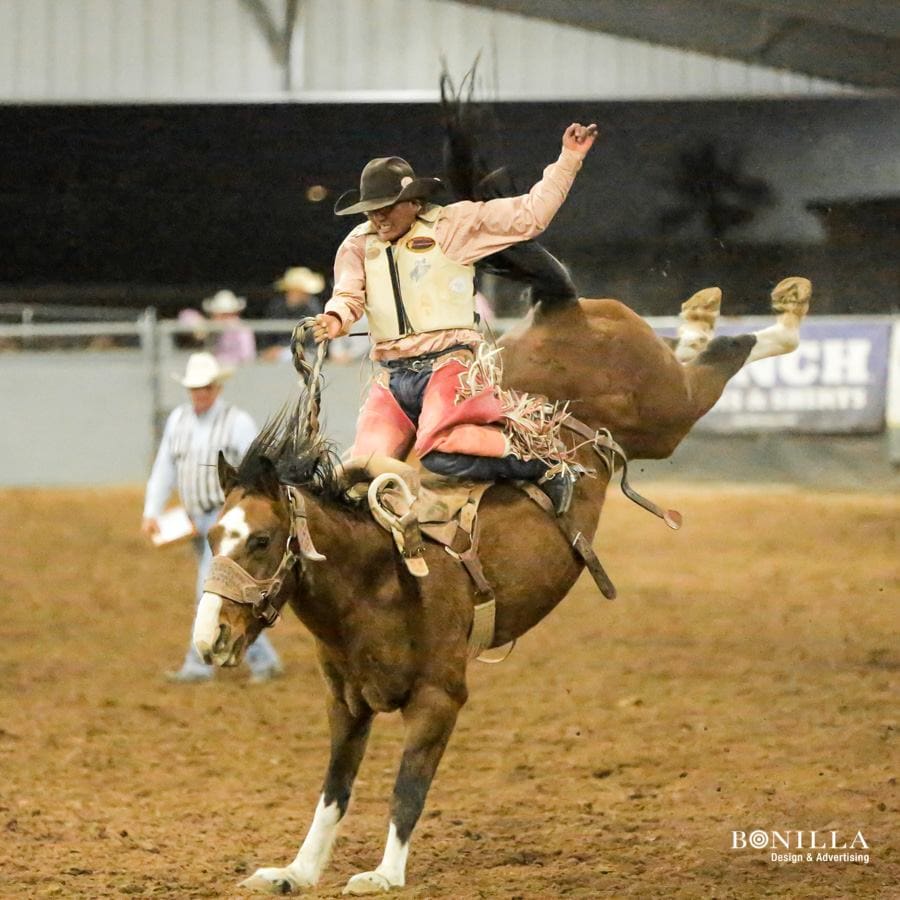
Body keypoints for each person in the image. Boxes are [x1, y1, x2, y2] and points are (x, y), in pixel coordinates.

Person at [312, 122, 598, 513]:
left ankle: (545, 463)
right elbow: (348, 294)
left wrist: (569, 159)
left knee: (440, 446)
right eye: (372, 209)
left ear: (413, 201)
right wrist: (334, 319)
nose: (378, 217)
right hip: (393, 377)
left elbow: (531, 213)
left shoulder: (454, 225)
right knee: (360, 472)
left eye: (387, 207)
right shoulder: (358, 245)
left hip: (451, 366)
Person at [141, 352, 283, 684]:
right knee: (219, 591)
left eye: (204, 388)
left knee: (208, 591)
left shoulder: (237, 422)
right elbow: (165, 468)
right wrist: (152, 510)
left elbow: (257, 472)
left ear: (216, 388)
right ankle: (264, 661)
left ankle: (198, 665)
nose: (199, 394)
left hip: (226, 525)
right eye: (194, 388)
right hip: (194, 518)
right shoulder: (178, 421)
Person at [258, 267, 326, 362]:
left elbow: (312, 339)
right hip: (275, 353)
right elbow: (268, 333)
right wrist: (269, 349)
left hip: (306, 352)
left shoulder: (313, 307)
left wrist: (284, 349)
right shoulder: (277, 306)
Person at [201, 289, 256, 366]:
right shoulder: (213, 330)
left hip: (236, 371)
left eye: (220, 315)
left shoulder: (242, 330)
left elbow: (247, 358)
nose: (215, 318)